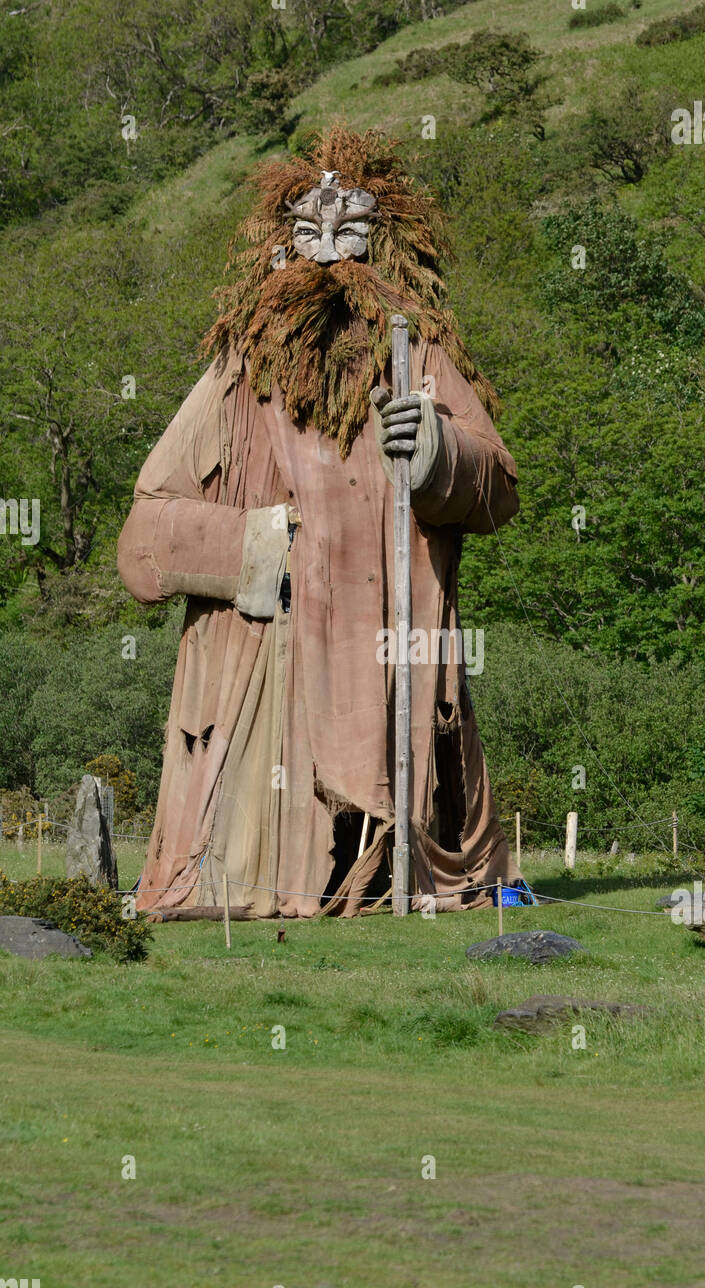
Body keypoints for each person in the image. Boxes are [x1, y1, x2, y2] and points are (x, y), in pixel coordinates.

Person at [117, 125, 519, 919]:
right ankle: (274, 880)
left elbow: (497, 487)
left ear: (391, 250)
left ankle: (393, 877)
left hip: (391, 644)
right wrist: (263, 545)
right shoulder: (239, 371)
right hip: (269, 650)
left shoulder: (421, 354)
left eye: (352, 234)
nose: (331, 254)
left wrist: (436, 451)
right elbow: (145, 535)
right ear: (277, 247)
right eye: (308, 233)